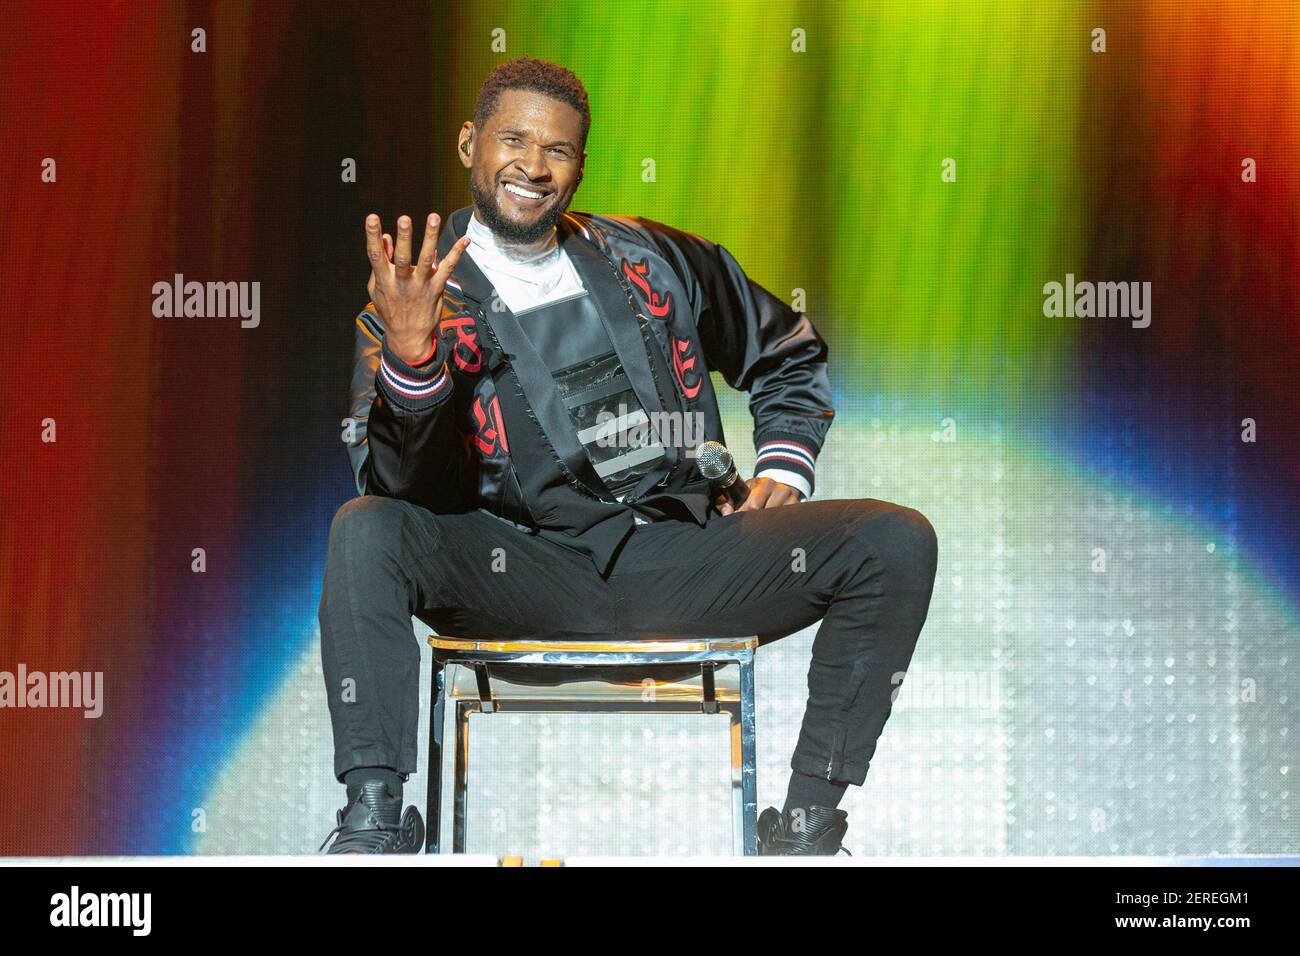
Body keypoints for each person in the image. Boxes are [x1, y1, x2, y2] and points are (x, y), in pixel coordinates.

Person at [317, 57, 938, 856]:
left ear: (580, 165)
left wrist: (783, 466)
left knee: (893, 540)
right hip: (519, 571)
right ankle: (373, 822)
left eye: (559, 151)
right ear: (470, 143)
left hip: (682, 560)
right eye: (513, 140)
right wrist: (412, 364)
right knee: (366, 526)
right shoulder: (413, 297)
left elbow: (784, 346)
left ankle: (808, 826)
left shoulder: (650, 258)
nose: (533, 167)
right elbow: (395, 484)